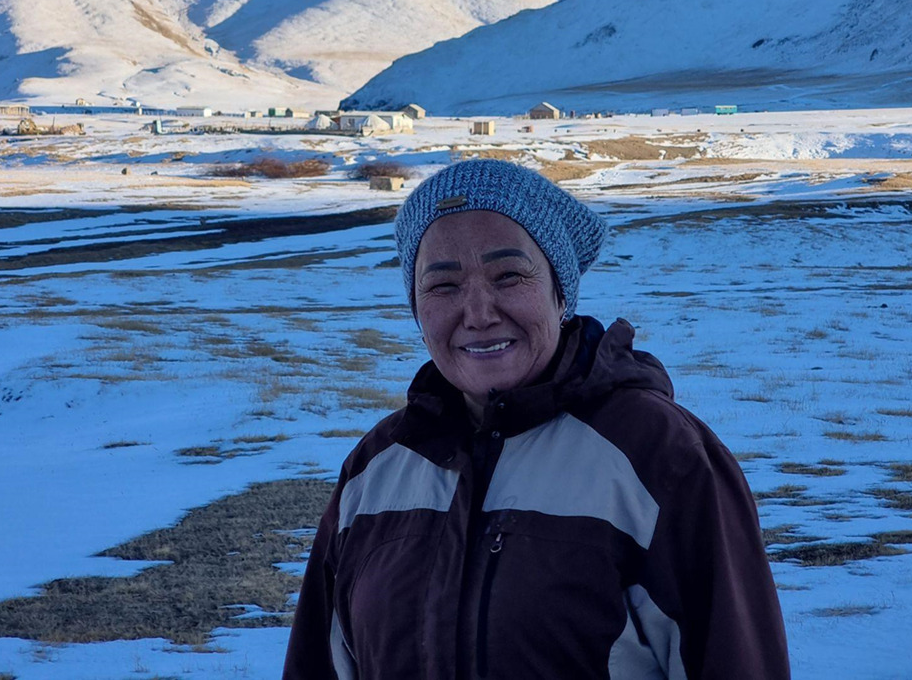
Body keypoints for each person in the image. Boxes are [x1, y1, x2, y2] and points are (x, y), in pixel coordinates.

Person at [283, 159, 790, 679]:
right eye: (443, 285)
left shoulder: (660, 456)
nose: (478, 312)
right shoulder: (376, 468)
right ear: (416, 305)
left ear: (561, 293)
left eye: (509, 275)